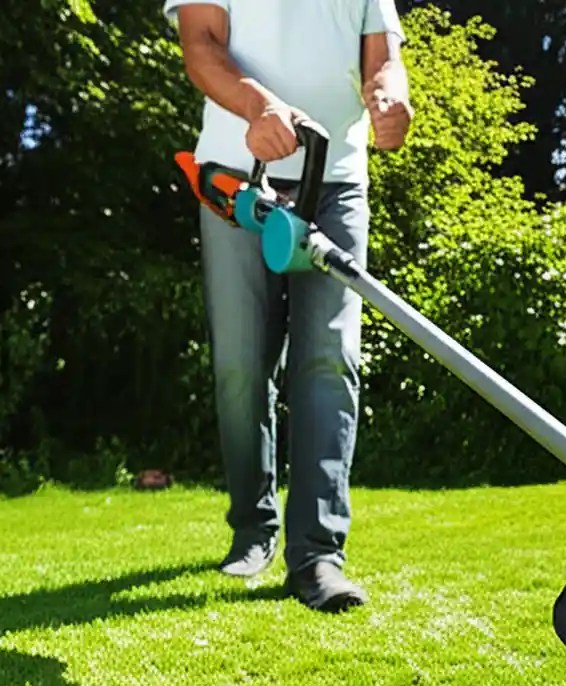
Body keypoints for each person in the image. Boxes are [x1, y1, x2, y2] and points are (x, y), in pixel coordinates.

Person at [161, 0, 412, 613]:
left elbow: (382, 59)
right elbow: (201, 46)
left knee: (329, 357)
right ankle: (253, 525)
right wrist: (256, 104)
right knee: (241, 367)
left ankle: (317, 555)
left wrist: (390, 98)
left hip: (338, 182)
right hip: (237, 179)